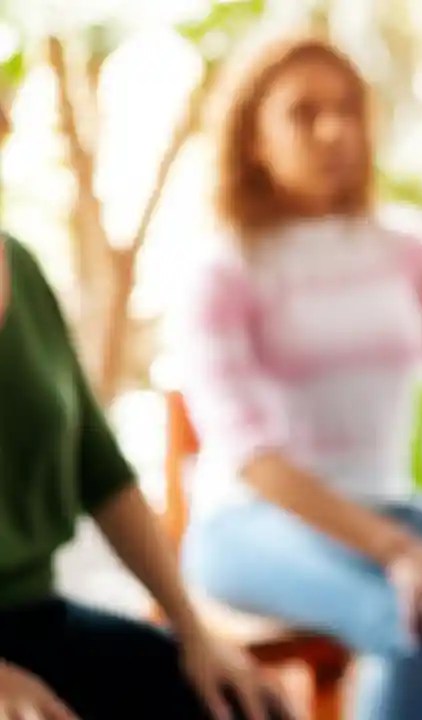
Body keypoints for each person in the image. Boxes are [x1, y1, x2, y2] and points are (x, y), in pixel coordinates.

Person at [173, 36, 422, 719]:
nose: (334, 130)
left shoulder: (409, 247)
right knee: (420, 616)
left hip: (384, 506)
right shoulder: (221, 269)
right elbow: (253, 461)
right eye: (304, 114)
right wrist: (401, 553)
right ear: (253, 140)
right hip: (249, 523)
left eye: (348, 110)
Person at [0, 234, 284, 720]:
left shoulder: (19, 262)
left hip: (32, 617)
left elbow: (102, 469)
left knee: (237, 706)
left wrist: (194, 632)